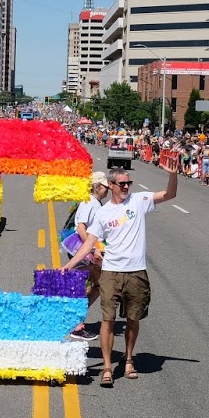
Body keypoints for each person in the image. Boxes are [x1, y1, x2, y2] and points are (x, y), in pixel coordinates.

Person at [61, 161, 182, 386]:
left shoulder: (139, 201)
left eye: (128, 183)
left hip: (136, 272)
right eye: (122, 183)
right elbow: (89, 243)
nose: (126, 187)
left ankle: (128, 360)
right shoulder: (104, 213)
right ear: (111, 185)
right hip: (111, 272)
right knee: (108, 319)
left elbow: (169, 194)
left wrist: (173, 175)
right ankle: (107, 367)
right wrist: (70, 264)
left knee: (133, 319)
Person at [66, 171, 110, 341]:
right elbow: (81, 228)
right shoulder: (90, 203)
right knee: (91, 285)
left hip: (89, 251)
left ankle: (76, 320)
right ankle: (76, 324)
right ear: (97, 186)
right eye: (106, 187)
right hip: (84, 251)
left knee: (97, 285)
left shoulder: (95, 203)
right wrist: (92, 249)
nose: (107, 190)